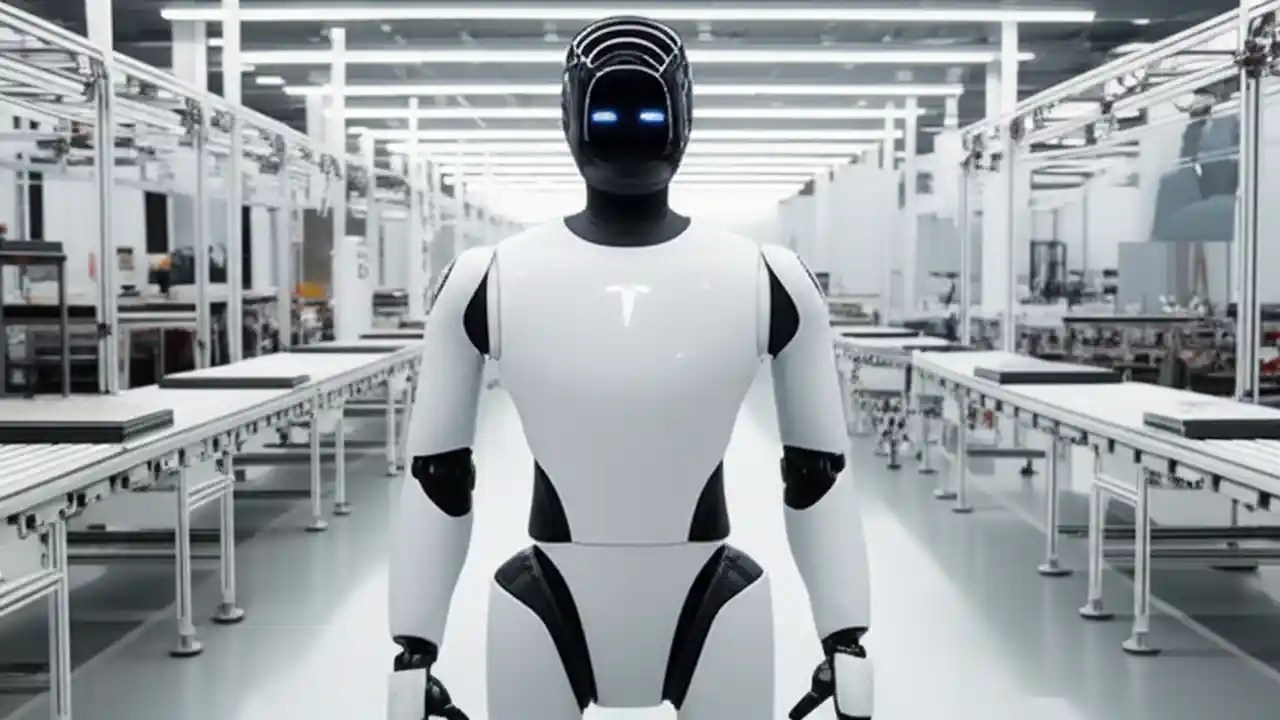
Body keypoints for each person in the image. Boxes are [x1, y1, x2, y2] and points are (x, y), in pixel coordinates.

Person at [388, 16, 873, 720]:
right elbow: (437, 475)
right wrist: (414, 641)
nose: (627, 126)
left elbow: (818, 472)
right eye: (614, 110)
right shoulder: (484, 281)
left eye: (642, 110)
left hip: (687, 598)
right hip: (580, 599)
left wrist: (414, 644)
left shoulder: (771, 280)